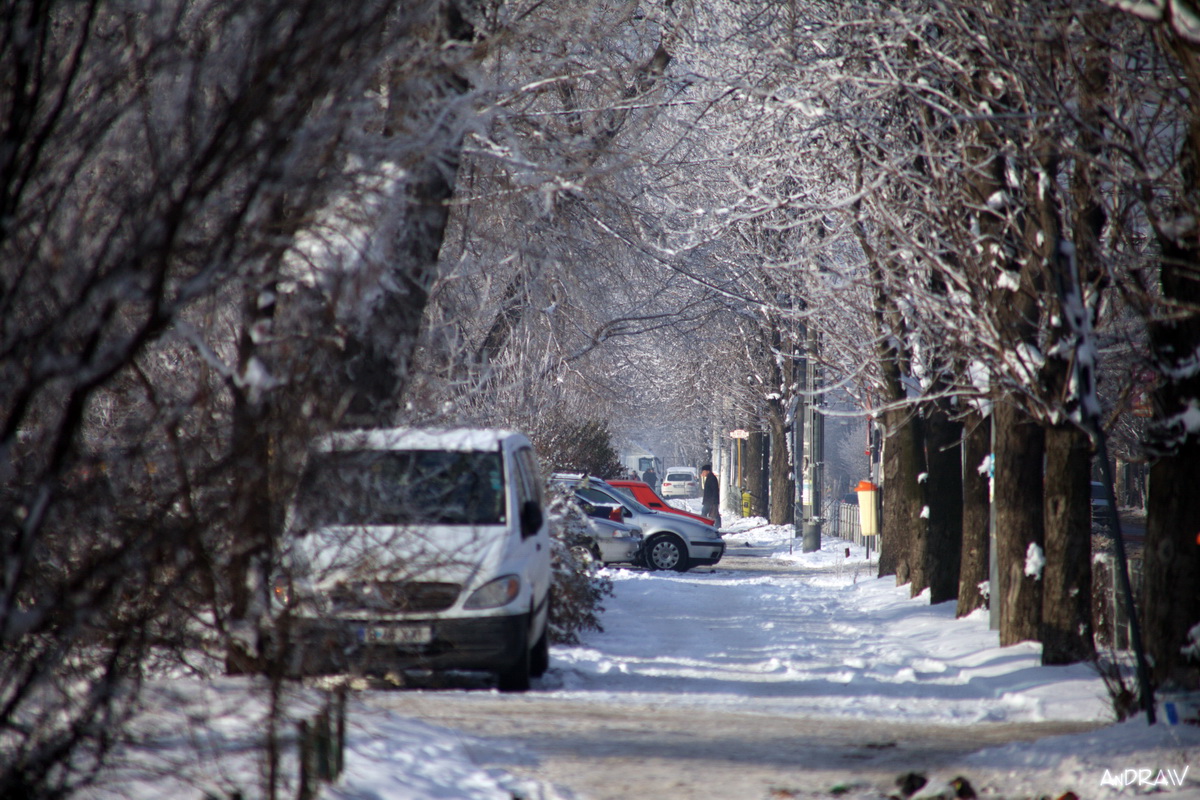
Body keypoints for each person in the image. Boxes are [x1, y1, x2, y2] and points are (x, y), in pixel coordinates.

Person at [700, 463, 721, 529]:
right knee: (714, 513)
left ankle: (704, 525)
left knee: (706, 513)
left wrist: (714, 501)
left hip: (711, 501)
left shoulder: (712, 478)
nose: (703, 473)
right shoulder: (709, 478)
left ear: (708, 471)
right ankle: (717, 526)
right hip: (709, 500)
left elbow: (715, 490)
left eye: (704, 471)